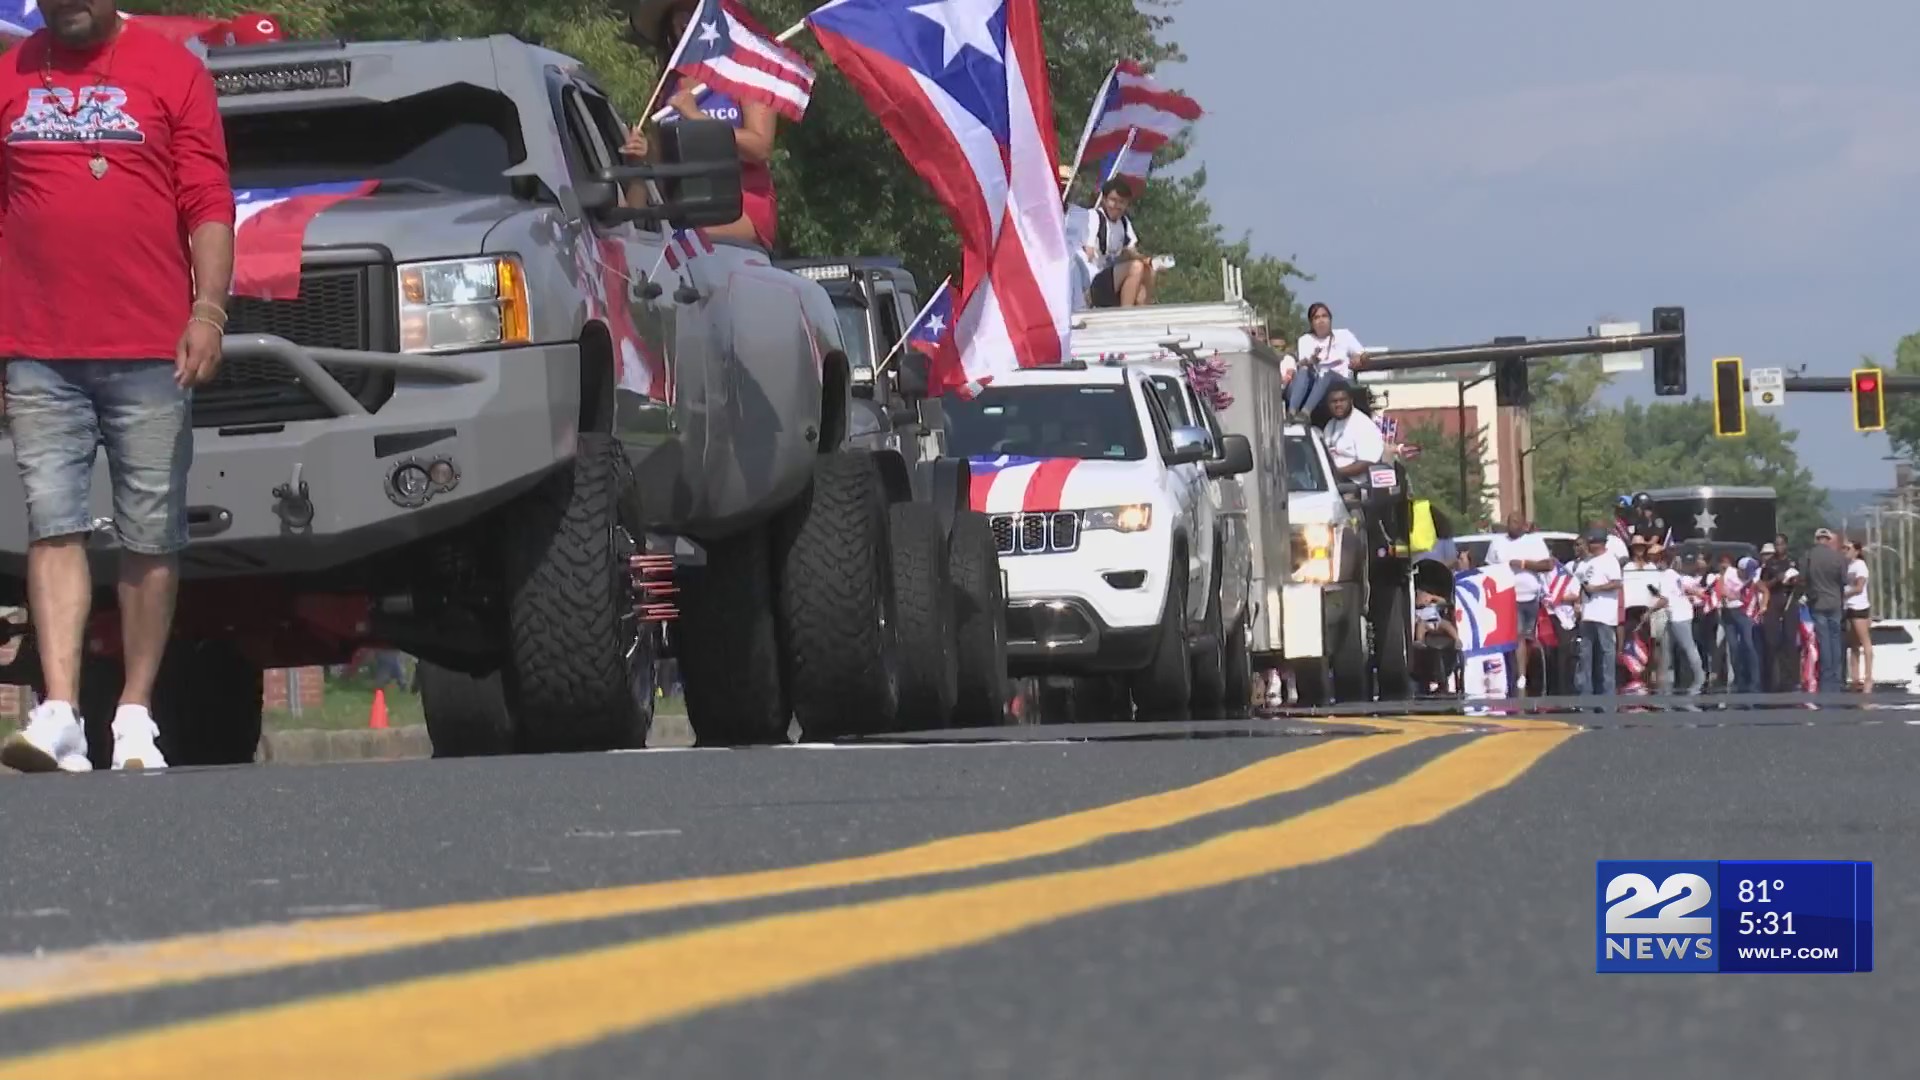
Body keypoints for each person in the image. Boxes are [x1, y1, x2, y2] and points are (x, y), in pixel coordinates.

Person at [0, 0, 234, 773]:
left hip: (150, 348)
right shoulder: (10, 74)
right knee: (52, 523)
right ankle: (62, 713)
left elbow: (207, 200)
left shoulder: (172, 72)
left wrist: (208, 311)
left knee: (150, 532)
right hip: (38, 347)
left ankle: (134, 716)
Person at [624, 0, 783, 249]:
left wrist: (696, 117)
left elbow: (760, 147)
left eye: (696, 9)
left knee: (680, 243)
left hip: (741, 207)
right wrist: (642, 158)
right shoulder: (667, 86)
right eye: (679, 12)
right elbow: (661, 167)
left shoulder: (748, 74)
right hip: (681, 211)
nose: (687, 19)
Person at [1483, 510, 1553, 697]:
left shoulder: (1534, 542)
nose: (1511, 525)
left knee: (1527, 638)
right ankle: (1519, 676)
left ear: (1524, 525)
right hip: (1507, 598)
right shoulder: (1498, 542)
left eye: (1515, 522)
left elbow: (1547, 565)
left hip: (1530, 597)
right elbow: (1488, 568)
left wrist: (1522, 564)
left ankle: (1525, 671)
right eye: (1509, 521)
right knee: (1517, 636)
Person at [1079, 178, 1155, 308]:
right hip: (1094, 281)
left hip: (1114, 280)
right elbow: (1088, 253)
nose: (1116, 206)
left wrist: (1149, 261)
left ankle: (1142, 310)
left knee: (1149, 270)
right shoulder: (1094, 217)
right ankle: (1126, 312)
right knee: (1136, 267)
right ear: (1104, 200)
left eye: (1122, 202)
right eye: (1113, 200)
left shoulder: (1124, 223)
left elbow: (1131, 251)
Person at [1287, 302, 1367, 419]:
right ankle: (1291, 412)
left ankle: (1305, 413)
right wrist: (1312, 360)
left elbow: (1364, 354)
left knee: (1327, 374)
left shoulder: (1344, 335)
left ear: (1330, 319)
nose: (1321, 321)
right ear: (1311, 323)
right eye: (1316, 318)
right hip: (1316, 381)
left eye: (1324, 316)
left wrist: (1358, 358)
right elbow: (1304, 363)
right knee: (1304, 371)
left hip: (1341, 380)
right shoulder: (1305, 339)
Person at [1573, 529, 1622, 696]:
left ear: (1600, 544)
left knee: (1606, 656)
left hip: (1604, 616)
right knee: (1585, 655)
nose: (1589, 545)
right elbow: (1581, 585)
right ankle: (1586, 695)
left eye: (1592, 542)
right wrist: (1578, 602)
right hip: (1588, 615)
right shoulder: (1587, 562)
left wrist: (1597, 588)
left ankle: (1607, 696)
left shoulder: (1610, 560)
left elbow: (1617, 583)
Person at [1804, 527, 1848, 690]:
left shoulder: (1809, 556)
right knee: (1835, 638)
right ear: (1828, 540)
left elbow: (1803, 578)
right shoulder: (1838, 557)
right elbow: (1844, 580)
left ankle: (1826, 674)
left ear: (1816, 539)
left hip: (1818, 602)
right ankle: (1837, 674)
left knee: (1824, 639)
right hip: (1835, 602)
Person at [1656, 543, 1704, 693]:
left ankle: (1700, 676)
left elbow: (1664, 600)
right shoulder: (1675, 575)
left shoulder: (1667, 575)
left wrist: (1649, 611)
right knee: (1666, 648)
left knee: (1688, 647)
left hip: (1679, 616)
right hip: (1678, 614)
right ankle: (1662, 678)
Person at [1321, 384, 1385, 478]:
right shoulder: (1330, 424)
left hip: (1354, 483)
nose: (1338, 405)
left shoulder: (1363, 424)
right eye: (1334, 401)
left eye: (1342, 400)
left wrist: (1335, 474)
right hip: (1332, 480)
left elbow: (1367, 462)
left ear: (1351, 401)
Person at [1844, 539, 1872, 690]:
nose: (1846, 551)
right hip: (1848, 606)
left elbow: (1859, 587)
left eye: (1848, 548)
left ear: (1856, 551)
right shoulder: (1848, 565)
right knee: (1853, 644)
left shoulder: (1860, 565)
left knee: (1864, 642)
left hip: (1859, 607)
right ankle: (1855, 677)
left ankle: (1868, 676)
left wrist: (1842, 595)